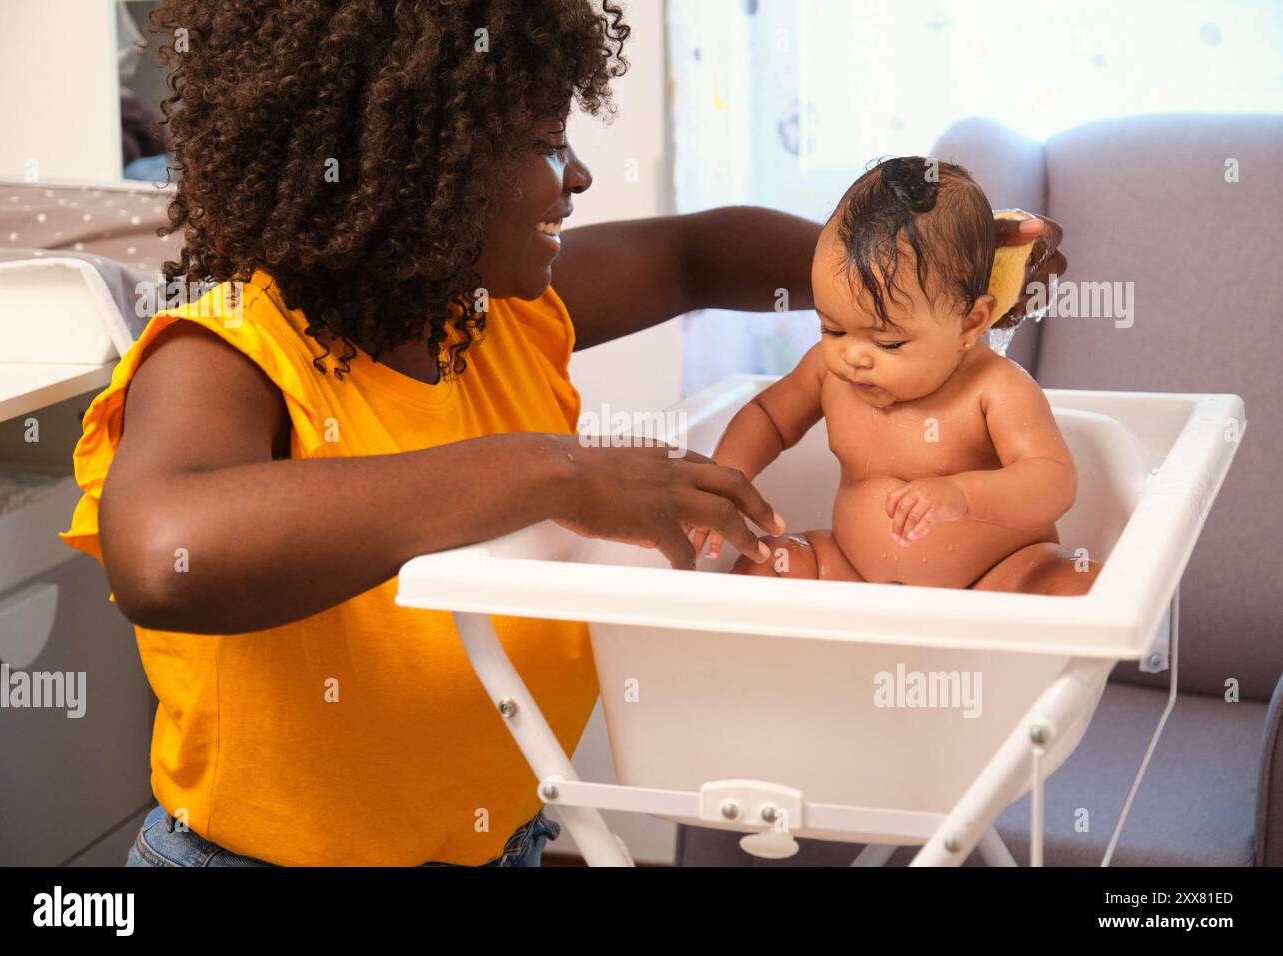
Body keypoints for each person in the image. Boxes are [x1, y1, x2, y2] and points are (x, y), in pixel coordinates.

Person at [59, 1, 1066, 866]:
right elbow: (161, 553)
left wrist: (920, 276)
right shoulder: (232, 351)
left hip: (506, 840)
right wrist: (549, 471)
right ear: (425, 163)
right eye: (546, 142)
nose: (577, 176)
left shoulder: (492, 313)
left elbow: (692, 253)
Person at [707, 157, 1098, 596]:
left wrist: (964, 495)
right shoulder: (828, 371)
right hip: (852, 574)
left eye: (888, 343)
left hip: (994, 583)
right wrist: (724, 479)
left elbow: (1053, 482)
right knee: (768, 565)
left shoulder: (995, 388)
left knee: (1079, 581)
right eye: (832, 328)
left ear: (971, 323)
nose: (852, 355)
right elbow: (768, 417)